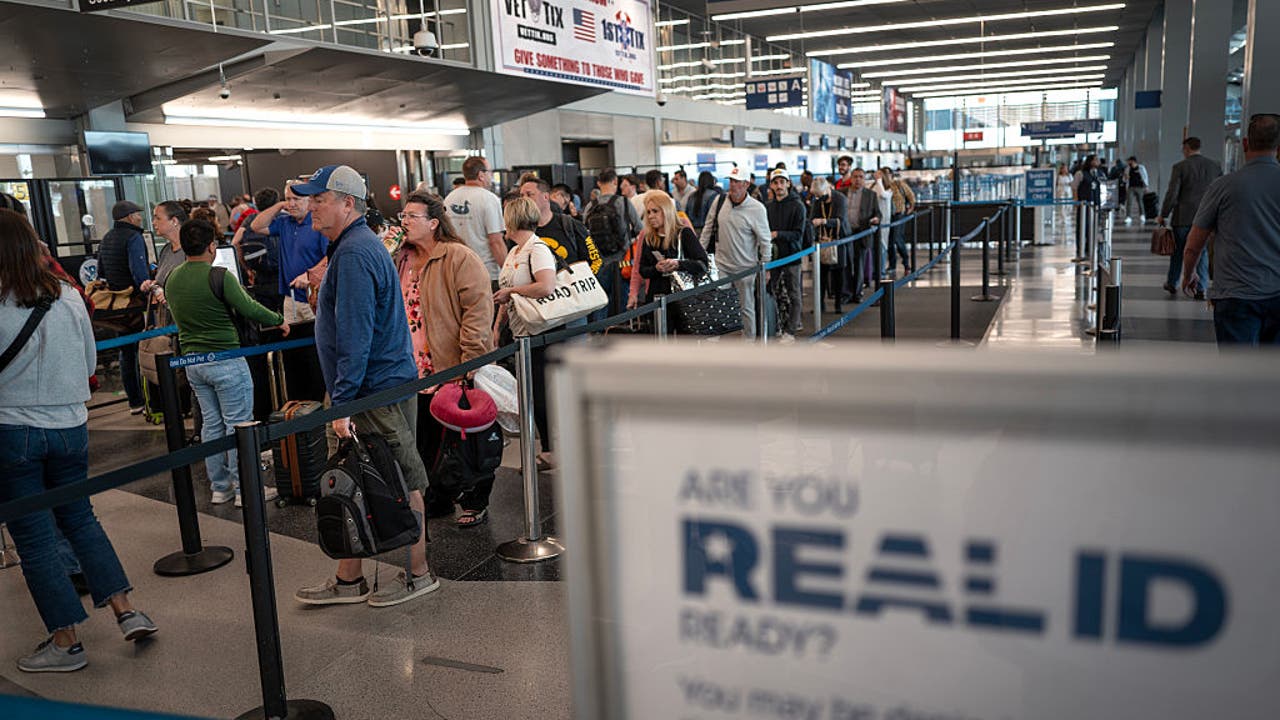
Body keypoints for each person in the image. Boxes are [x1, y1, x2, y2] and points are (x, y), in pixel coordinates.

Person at [0, 209, 158, 673]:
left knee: (35, 539)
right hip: (72, 428)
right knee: (82, 522)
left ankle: (66, 641)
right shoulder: (68, 295)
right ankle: (127, 612)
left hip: (14, 433)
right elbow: (90, 361)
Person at [291, 164, 439, 607]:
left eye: (320, 199)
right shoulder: (353, 246)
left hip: (374, 389)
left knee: (402, 477)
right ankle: (349, 579)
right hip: (375, 385)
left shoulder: (354, 253)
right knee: (359, 476)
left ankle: (419, 574)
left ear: (347, 203)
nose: (311, 206)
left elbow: (356, 334)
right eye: (311, 198)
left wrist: (343, 403)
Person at [165, 219, 288, 505]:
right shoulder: (219, 275)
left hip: (194, 362)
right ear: (211, 246)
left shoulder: (172, 278)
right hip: (226, 360)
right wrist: (278, 320)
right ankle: (246, 489)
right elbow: (249, 307)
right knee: (239, 425)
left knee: (211, 426)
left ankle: (220, 487)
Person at [393, 193, 495, 526]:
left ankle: (476, 499)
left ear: (434, 223)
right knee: (426, 441)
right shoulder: (401, 259)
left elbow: (477, 312)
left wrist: (470, 363)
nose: (404, 221)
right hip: (414, 370)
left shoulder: (458, 257)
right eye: (403, 215)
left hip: (452, 366)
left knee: (466, 439)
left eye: (412, 216)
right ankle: (436, 498)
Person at [1180, 114, 1280, 346]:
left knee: (1237, 374)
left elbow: (1195, 243)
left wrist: (1189, 274)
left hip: (1235, 296)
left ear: (1245, 143)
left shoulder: (1223, 186)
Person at [493, 197, 559, 469]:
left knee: (540, 393)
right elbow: (507, 294)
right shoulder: (515, 251)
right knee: (530, 393)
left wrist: (512, 292)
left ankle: (549, 449)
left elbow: (546, 286)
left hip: (538, 333)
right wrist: (497, 326)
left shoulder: (537, 249)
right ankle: (543, 447)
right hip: (519, 333)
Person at [699, 166, 771, 340]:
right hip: (722, 264)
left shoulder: (757, 209)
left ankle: (749, 340)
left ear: (746, 184)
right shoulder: (719, 201)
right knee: (716, 301)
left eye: (737, 181)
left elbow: (765, 240)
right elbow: (708, 229)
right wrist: (699, 254)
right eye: (731, 180)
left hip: (746, 267)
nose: (732, 185)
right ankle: (713, 338)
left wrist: (766, 266)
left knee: (746, 306)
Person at [96, 200, 149, 414]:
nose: (140, 217)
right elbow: (139, 274)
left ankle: (134, 401)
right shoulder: (133, 237)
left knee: (126, 352)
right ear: (129, 217)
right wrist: (149, 287)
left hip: (115, 306)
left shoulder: (107, 237)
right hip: (133, 304)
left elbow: (100, 270)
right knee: (143, 350)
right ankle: (149, 399)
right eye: (138, 214)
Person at [250, 181, 329, 323]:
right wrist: (279, 205)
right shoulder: (284, 222)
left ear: (309, 200)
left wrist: (310, 274)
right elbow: (256, 226)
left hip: (314, 299)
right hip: (290, 297)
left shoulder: (318, 223)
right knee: (291, 342)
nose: (291, 204)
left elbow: (330, 256)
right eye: (288, 199)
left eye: (296, 199)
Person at [1158, 137, 1222, 298]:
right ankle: (1201, 287)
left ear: (1186, 148)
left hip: (1183, 217)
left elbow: (1172, 193)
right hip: (1208, 217)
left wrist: (1163, 214)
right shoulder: (1214, 166)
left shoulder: (1180, 167)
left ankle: (1173, 282)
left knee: (1179, 251)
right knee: (1203, 252)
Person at [583, 168, 642, 316]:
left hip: (598, 262)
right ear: (615, 181)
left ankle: (598, 334)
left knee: (600, 303)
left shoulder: (590, 206)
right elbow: (640, 229)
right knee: (621, 303)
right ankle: (620, 332)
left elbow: (585, 233)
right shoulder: (623, 202)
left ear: (598, 183)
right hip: (622, 262)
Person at [518, 174, 601, 276]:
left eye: (529, 194)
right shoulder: (521, 232)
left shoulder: (570, 225)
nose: (524, 199)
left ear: (545, 196)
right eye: (521, 196)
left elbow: (596, 261)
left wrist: (584, 284)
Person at [444, 156, 506, 290]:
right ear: (481, 175)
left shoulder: (449, 199)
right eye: (490, 172)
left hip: (457, 271)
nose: (491, 176)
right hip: (486, 273)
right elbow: (495, 241)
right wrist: (508, 272)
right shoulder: (489, 199)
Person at [636, 190, 708, 304]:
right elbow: (642, 270)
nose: (650, 216)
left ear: (666, 211)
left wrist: (678, 264)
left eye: (655, 211)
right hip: (656, 297)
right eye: (648, 212)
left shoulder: (684, 233)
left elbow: (703, 264)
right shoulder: (649, 238)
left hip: (683, 298)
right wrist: (657, 268)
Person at [764, 169, 808, 338]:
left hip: (792, 256)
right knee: (772, 292)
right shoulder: (768, 207)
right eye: (776, 182)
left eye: (782, 182)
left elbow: (798, 234)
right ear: (771, 185)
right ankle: (778, 326)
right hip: (773, 258)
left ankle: (791, 330)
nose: (779, 186)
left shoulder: (798, 206)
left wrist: (777, 234)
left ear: (789, 183)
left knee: (793, 293)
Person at [232, 188, 285, 314]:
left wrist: (247, 268)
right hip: (283, 276)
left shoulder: (250, 219)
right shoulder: (283, 218)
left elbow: (235, 243)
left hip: (260, 276)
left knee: (266, 318)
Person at [808, 177, 852, 311]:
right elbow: (812, 218)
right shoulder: (817, 200)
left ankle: (838, 304)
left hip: (839, 239)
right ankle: (820, 305)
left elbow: (841, 220)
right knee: (821, 274)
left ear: (827, 189)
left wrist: (823, 221)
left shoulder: (840, 199)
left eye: (820, 195)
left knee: (838, 274)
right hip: (822, 240)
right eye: (816, 196)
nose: (818, 198)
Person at [843, 168, 883, 300]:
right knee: (846, 263)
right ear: (851, 178)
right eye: (855, 177)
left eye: (860, 177)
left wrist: (876, 219)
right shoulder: (842, 193)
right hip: (846, 234)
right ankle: (847, 292)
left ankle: (858, 292)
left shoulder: (870, 195)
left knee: (859, 263)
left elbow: (878, 213)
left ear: (864, 179)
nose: (857, 179)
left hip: (862, 233)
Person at [145, 201, 190, 302]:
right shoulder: (166, 250)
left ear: (174, 221)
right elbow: (161, 281)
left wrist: (170, 295)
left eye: (158, 218)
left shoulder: (192, 251)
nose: (153, 222)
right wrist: (152, 285)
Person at [883, 169, 916, 276]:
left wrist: (910, 208)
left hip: (898, 215)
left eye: (887, 174)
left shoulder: (898, 184)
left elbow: (911, 196)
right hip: (887, 217)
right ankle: (892, 265)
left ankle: (906, 263)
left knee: (896, 238)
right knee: (889, 241)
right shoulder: (881, 186)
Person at [684, 171, 723, 236]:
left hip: (692, 231)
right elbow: (713, 216)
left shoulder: (692, 196)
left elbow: (687, 215)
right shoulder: (713, 195)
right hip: (707, 232)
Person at [1124, 156, 1150, 224]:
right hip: (1130, 187)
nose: (1128, 162)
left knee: (1140, 201)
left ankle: (1142, 215)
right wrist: (1125, 178)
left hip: (1140, 187)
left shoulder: (1141, 168)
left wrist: (1146, 186)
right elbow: (1124, 179)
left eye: (1129, 161)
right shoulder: (1128, 168)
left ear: (1133, 161)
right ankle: (1128, 217)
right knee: (1129, 202)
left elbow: (1145, 177)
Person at [1055, 163, 1075, 228]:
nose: (1064, 170)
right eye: (1063, 168)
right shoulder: (1058, 176)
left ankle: (1067, 217)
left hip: (1068, 193)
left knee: (1068, 207)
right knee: (1062, 206)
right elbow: (1056, 184)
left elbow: (1072, 184)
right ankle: (1063, 219)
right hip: (1061, 193)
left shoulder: (1069, 176)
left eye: (1065, 168)